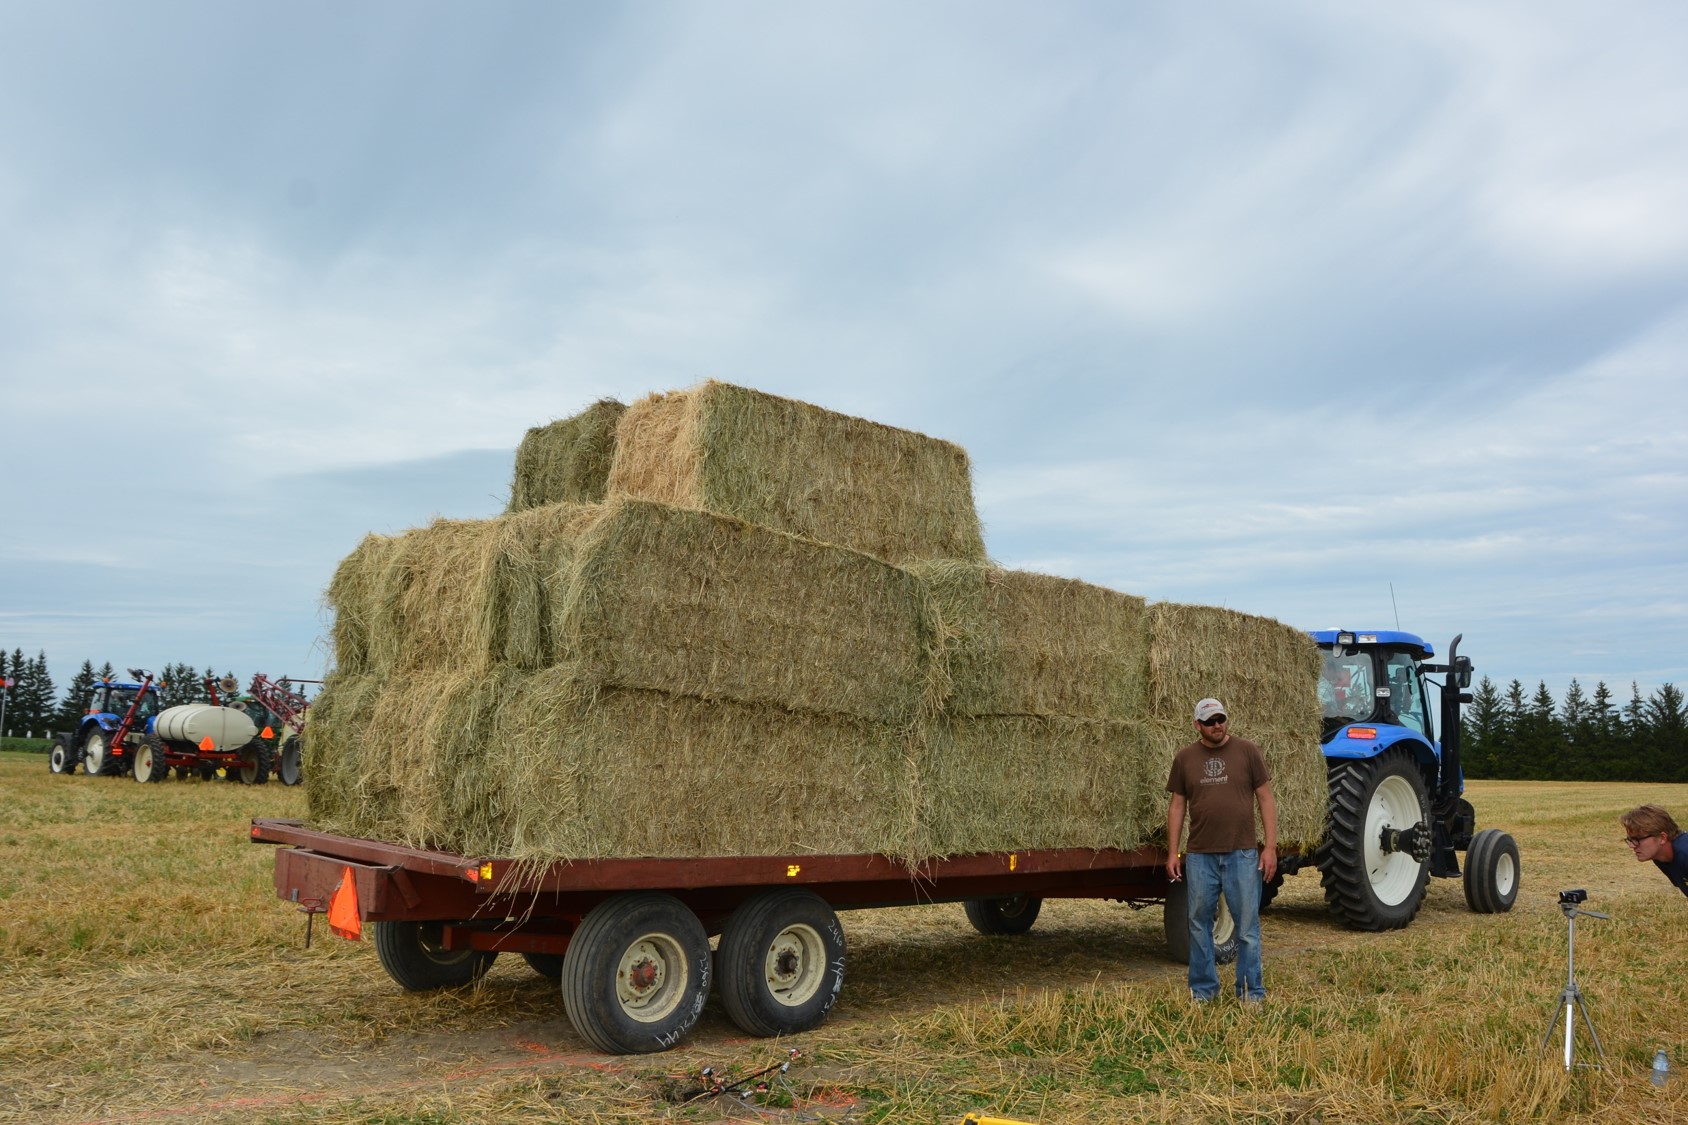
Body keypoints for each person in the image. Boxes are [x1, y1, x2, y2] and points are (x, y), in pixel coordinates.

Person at [1166, 697, 1279, 1002]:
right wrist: (1173, 852)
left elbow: (1266, 799)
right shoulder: (1185, 758)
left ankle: (1251, 993)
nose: (1217, 726)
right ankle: (1203, 991)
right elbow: (1177, 806)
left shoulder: (1248, 751)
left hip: (1241, 853)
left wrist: (1270, 847)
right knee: (1198, 924)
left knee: (1247, 927)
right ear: (1197, 725)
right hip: (1200, 855)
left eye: (1221, 719)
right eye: (1210, 721)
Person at [1620, 804, 1688, 898]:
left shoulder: (1685, 853)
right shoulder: (1660, 857)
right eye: (1630, 840)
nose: (1632, 846)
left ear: (1662, 838)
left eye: (1637, 839)